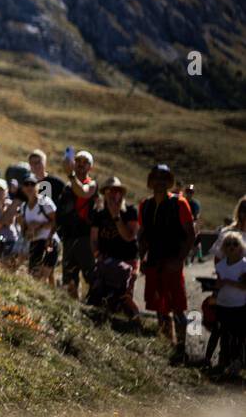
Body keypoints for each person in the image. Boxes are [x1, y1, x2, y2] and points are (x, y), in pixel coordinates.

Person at [138, 163, 196, 360]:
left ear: (169, 182)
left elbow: (190, 235)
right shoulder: (145, 205)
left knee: (178, 308)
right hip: (154, 262)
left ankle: (181, 349)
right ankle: (166, 346)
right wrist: (142, 258)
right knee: (159, 308)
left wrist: (179, 260)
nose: (160, 182)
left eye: (164, 179)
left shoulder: (180, 204)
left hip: (172, 262)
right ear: (150, 181)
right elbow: (143, 236)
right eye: (156, 178)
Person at [87, 176, 140, 317]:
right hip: (107, 260)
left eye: (116, 191)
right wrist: (97, 255)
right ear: (104, 194)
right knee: (103, 294)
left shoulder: (130, 211)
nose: (113, 194)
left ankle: (130, 322)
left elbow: (129, 236)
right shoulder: (99, 214)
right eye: (109, 191)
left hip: (127, 261)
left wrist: (116, 216)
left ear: (121, 193)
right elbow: (93, 239)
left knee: (124, 296)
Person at [56, 150, 97, 299]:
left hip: (85, 238)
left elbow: (83, 193)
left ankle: (95, 307)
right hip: (68, 238)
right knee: (69, 279)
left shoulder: (92, 184)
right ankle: (73, 308)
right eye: (78, 161)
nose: (80, 164)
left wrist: (71, 175)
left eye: (85, 162)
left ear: (90, 167)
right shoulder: (67, 187)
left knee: (91, 276)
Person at [211, 232, 246, 376]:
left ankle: (237, 363)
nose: (232, 247)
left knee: (238, 336)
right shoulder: (220, 266)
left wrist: (228, 283)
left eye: (235, 244)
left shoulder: (244, 265)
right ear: (223, 247)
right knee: (224, 335)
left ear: (241, 247)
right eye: (228, 244)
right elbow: (218, 284)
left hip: (239, 305)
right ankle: (223, 361)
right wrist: (214, 292)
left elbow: (244, 286)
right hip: (222, 304)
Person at [20, 178, 59, 281]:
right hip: (34, 243)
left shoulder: (44, 202)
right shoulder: (24, 207)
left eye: (32, 184)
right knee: (35, 277)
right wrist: (28, 231)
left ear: (37, 186)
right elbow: (23, 229)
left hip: (48, 241)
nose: (29, 187)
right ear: (23, 188)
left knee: (45, 275)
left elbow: (56, 221)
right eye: (26, 184)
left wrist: (39, 226)